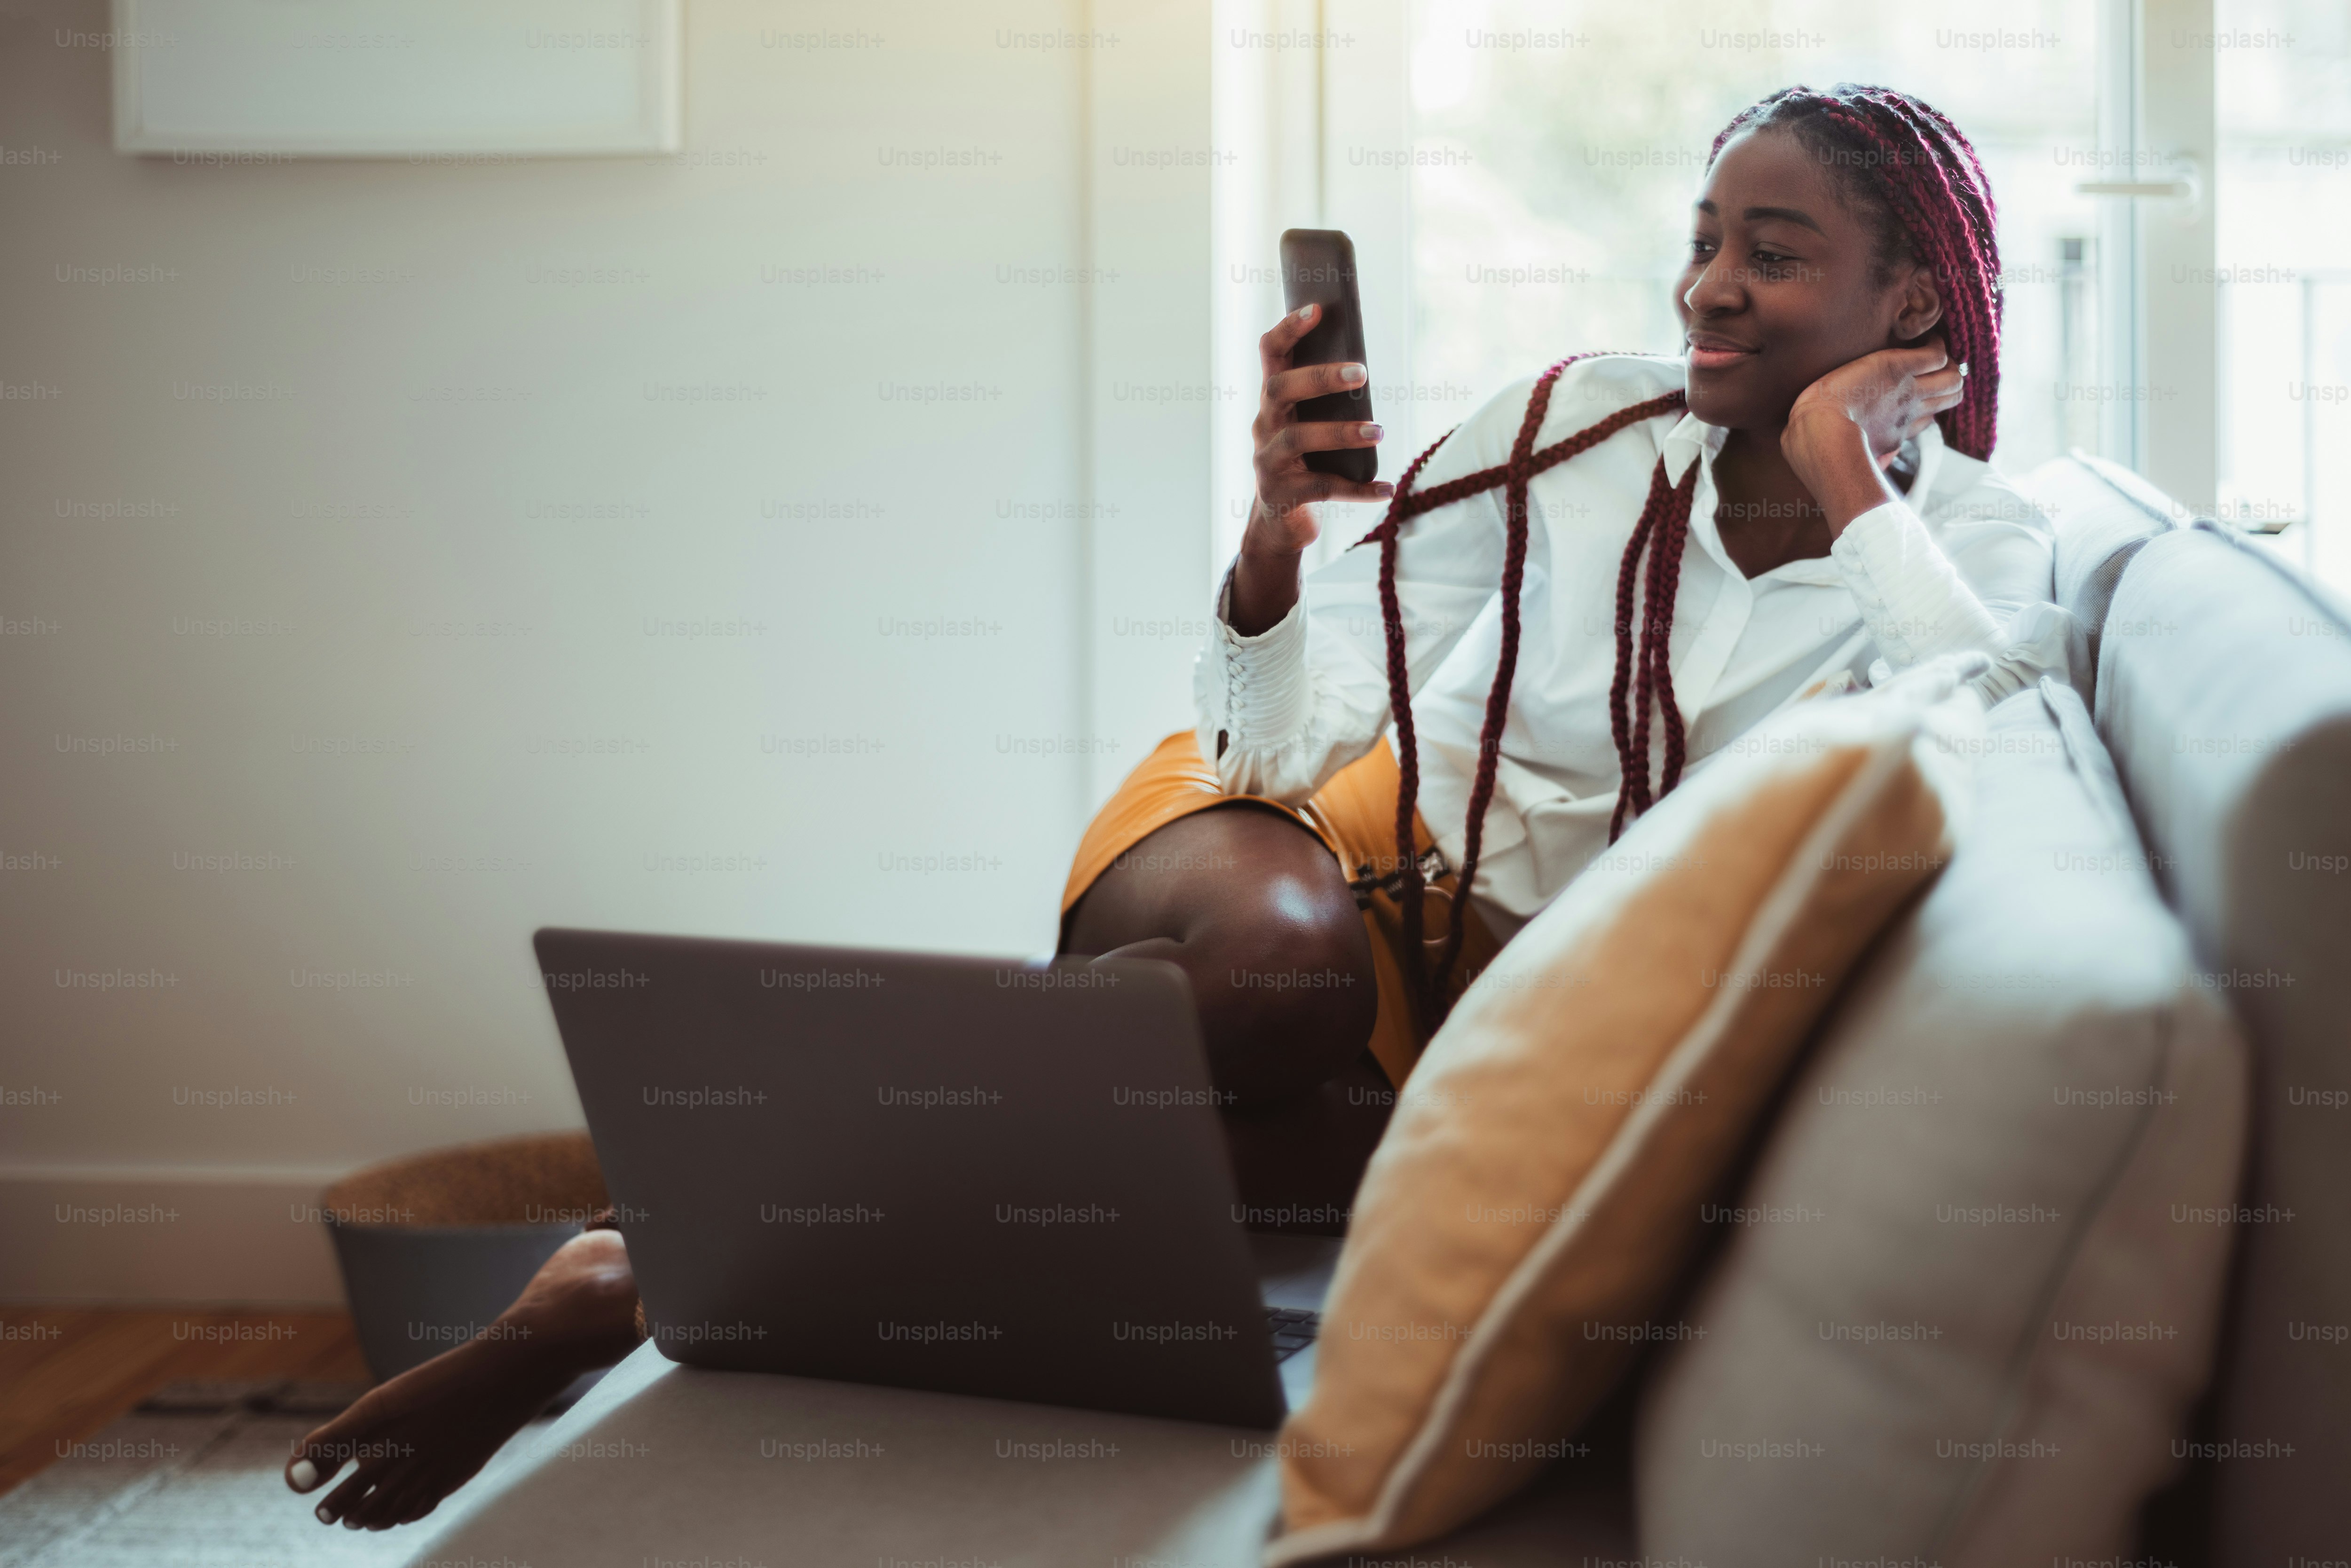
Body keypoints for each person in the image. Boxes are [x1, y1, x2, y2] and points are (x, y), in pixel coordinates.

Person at [285, 82, 2059, 1533]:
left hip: (1512, 1014)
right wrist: (1281, 538)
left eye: (1773, 252)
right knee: (1271, 976)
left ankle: (627, 1278)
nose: (1705, 289)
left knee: (1225, 1191)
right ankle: (667, 1253)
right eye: (1699, 242)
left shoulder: (1975, 545)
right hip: (1327, 842)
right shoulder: (1575, 427)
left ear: (1911, 303)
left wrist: (1847, 485)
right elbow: (1288, 744)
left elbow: (1975, 750)